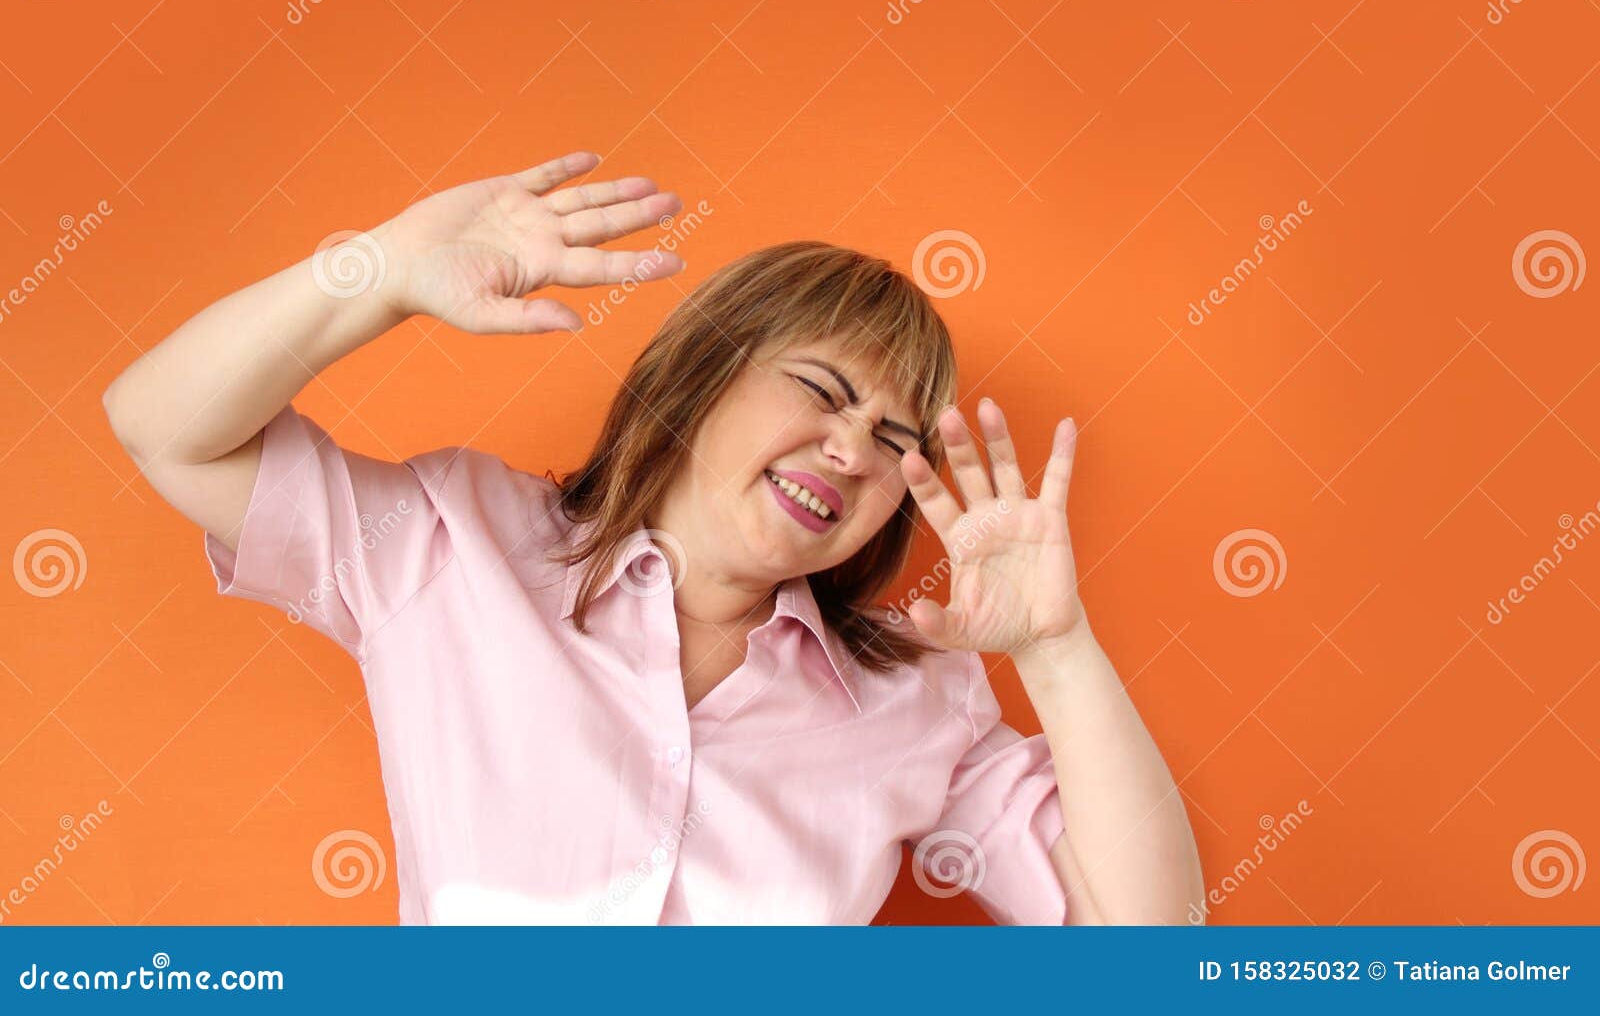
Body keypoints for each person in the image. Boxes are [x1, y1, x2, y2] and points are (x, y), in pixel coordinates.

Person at [102, 150, 1203, 924]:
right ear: (703, 373)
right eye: (820, 391)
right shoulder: (449, 547)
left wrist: (1057, 652)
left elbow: (1148, 946)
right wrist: (374, 274)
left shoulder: (920, 698)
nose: (852, 449)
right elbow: (167, 429)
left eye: (892, 439)